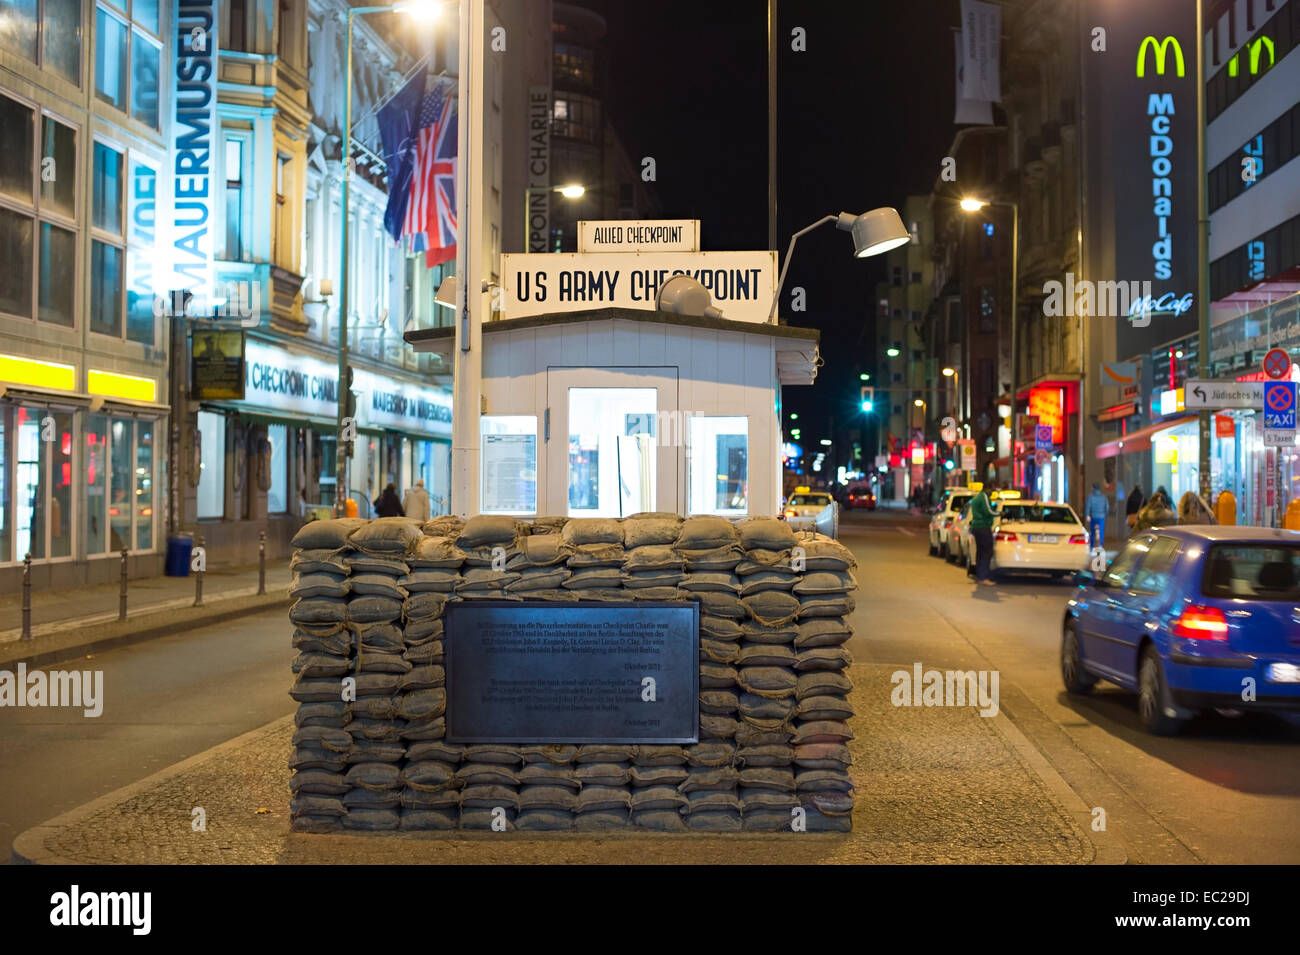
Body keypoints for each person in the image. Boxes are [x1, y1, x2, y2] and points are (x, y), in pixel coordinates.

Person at [968, 481, 999, 586]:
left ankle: (980, 575)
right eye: (992, 490)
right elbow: (988, 511)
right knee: (986, 552)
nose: (992, 492)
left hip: (977, 527)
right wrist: (999, 513)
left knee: (980, 552)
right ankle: (983, 577)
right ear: (988, 489)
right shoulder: (983, 497)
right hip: (983, 527)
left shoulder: (977, 497)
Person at [1084, 482, 1109, 548]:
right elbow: (1107, 507)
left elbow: (1088, 506)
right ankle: (1100, 545)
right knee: (1101, 531)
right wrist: (1105, 514)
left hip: (1093, 517)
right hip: (1101, 517)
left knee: (1092, 532)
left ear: (1093, 488)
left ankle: (1092, 546)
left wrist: (1087, 515)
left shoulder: (1090, 497)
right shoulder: (1104, 497)